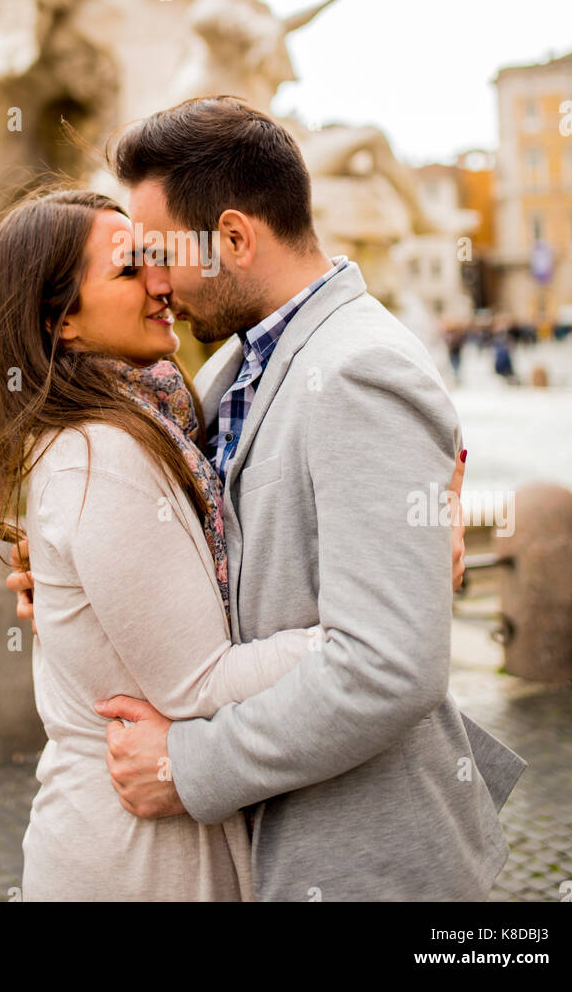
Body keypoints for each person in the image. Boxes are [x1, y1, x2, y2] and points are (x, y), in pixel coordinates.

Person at [0, 183, 468, 902]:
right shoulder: (101, 450)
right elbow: (198, 682)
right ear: (62, 323)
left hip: (177, 833)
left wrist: (403, 545)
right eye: (131, 268)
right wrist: (378, 621)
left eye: (158, 256)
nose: (160, 282)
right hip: (137, 855)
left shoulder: (178, 404)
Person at [83, 96, 526, 902]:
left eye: (160, 252)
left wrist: (189, 767)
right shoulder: (234, 368)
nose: (155, 281)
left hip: (364, 859)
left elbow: (390, 665)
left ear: (236, 238)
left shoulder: (361, 369)